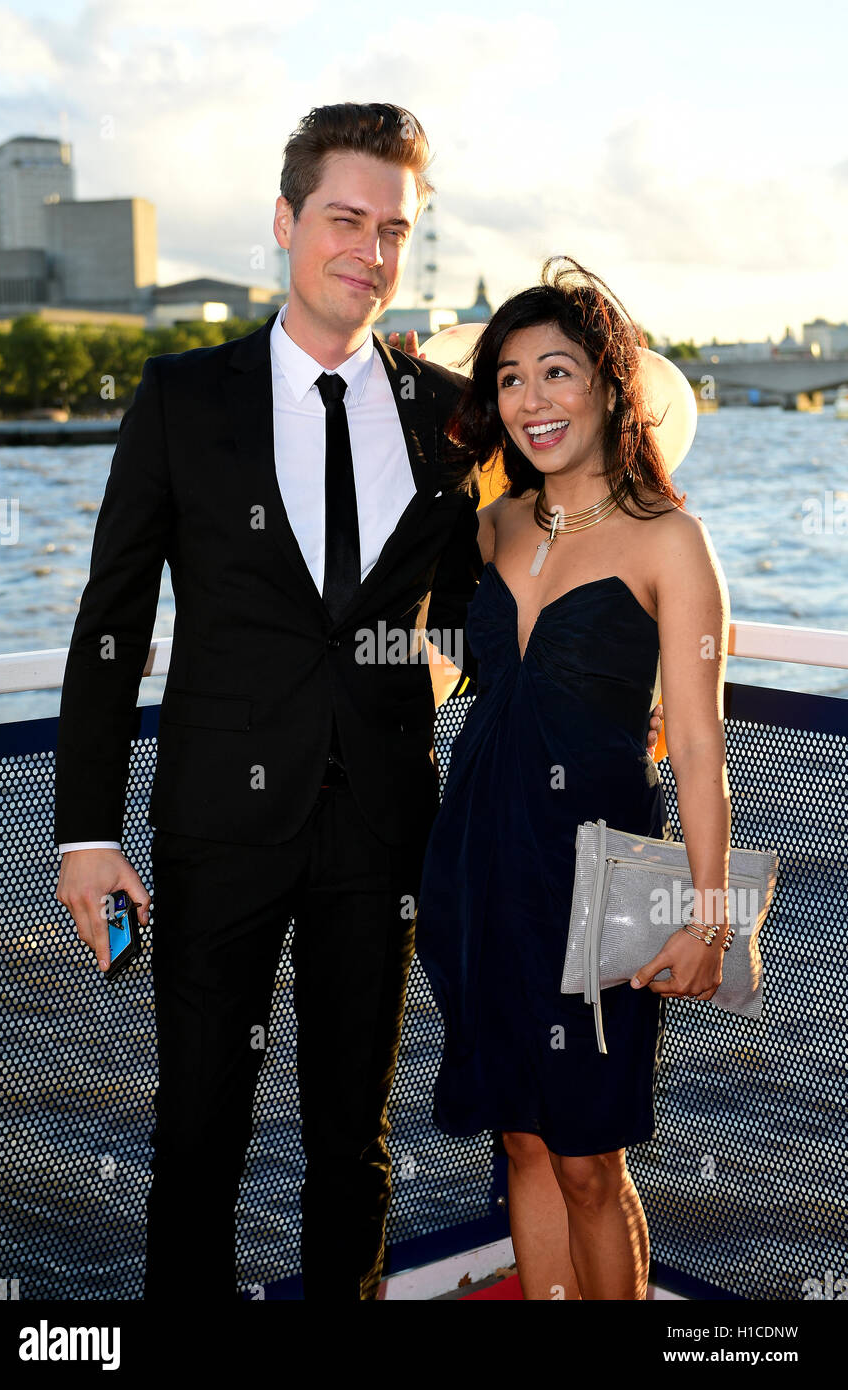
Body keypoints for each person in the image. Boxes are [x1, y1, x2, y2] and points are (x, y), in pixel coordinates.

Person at [53, 103, 662, 1304]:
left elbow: (532, 559)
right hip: (218, 829)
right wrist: (86, 832)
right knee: (197, 1141)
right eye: (345, 219)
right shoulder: (182, 397)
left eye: (393, 229)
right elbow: (111, 623)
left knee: (354, 1145)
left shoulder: (457, 415)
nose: (370, 251)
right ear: (285, 224)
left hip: (386, 835)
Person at [414, 257, 731, 1301]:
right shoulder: (492, 526)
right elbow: (424, 672)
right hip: (476, 867)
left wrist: (707, 914)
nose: (531, 398)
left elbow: (695, 745)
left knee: (593, 1160)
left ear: (607, 385)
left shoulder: (671, 542)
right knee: (521, 1143)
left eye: (555, 371)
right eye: (508, 378)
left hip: (592, 879)